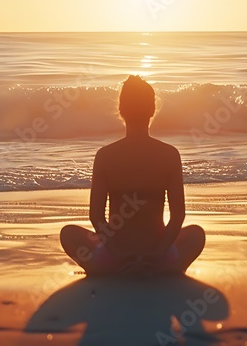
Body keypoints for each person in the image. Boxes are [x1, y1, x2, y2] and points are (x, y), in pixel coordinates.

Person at [60, 75, 205, 275]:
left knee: (68, 234)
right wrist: (158, 253)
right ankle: (161, 270)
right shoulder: (169, 154)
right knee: (196, 234)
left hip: (112, 257)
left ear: (121, 110)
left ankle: (111, 270)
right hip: (160, 257)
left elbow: (96, 216)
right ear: (152, 110)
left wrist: (118, 254)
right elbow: (178, 216)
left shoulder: (105, 156)